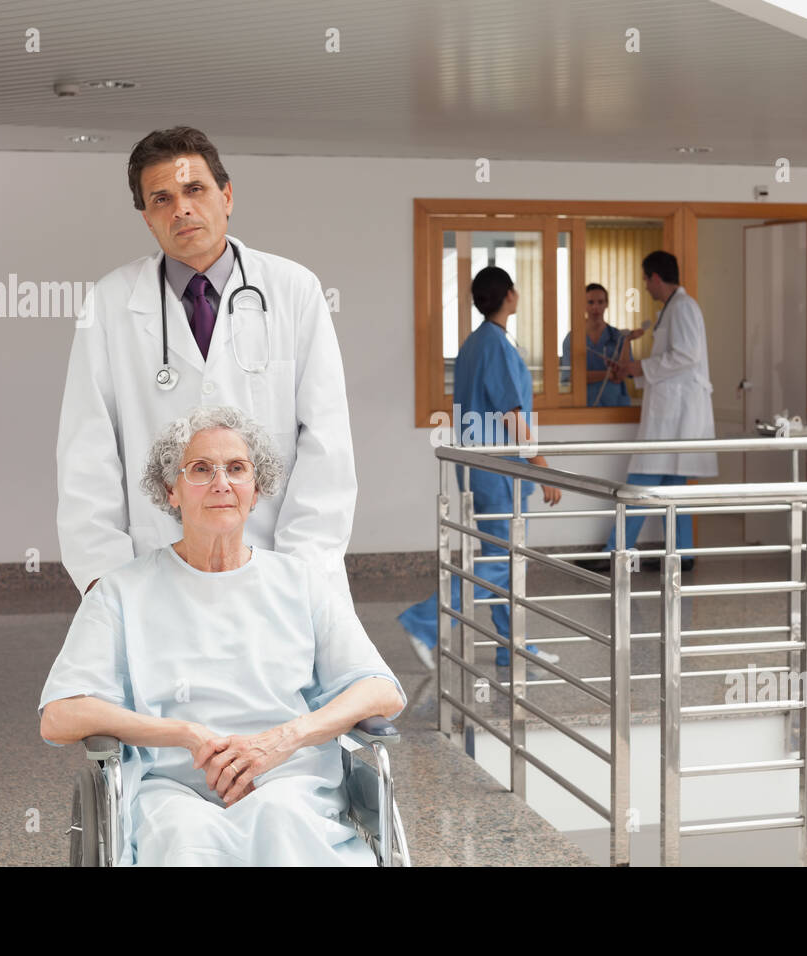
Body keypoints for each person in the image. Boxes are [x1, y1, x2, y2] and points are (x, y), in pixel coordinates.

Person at [39, 407, 406, 866]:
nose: (221, 483)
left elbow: (380, 690)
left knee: (282, 825)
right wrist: (184, 735)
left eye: (236, 469)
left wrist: (284, 739)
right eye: (200, 469)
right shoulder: (121, 591)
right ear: (170, 491)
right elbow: (59, 715)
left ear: (256, 490)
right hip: (170, 787)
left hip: (289, 778)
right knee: (184, 843)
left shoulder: (302, 583)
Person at [57, 126, 358, 605]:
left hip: (279, 564)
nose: (181, 208)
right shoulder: (111, 303)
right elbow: (87, 451)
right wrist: (104, 578)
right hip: (152, 568)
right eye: (161, 198)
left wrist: (305, 568)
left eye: (194, 189)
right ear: (146, 218)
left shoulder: (293, 290)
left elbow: (326, 440)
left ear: (227, 195)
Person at [399, 267, 562, 670]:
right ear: (509, 295)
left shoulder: (476, 343)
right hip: (497, 467)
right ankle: (423, 620)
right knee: (503, 559)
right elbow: (510, 411)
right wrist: (539, 463)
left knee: (503, 556)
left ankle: (511, 645)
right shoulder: (492, 345)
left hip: (485, 464)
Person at [585, 251, 717, 572]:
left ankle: (617, 552)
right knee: (672, 486)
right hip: (672, 412)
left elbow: (686, 356)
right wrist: (633, 371)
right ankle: (682, 553)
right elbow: (672, 363)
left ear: (656, 277)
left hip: (676, 414)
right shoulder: (672, 310)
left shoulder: (683, 308)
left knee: (640, 482)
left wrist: (638, 366)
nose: (645, 286)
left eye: (645, 279)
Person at [559, 283, 645, 407]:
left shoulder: (618, 337)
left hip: (615, 404)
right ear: (583, 305)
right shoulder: (572, 339)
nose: (596, 307)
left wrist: (627, 341)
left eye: (600, 302)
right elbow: (571, 377)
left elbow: (625, 371)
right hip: (583, 405)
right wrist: (608, 374)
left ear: (607, 304)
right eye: (590, 302)